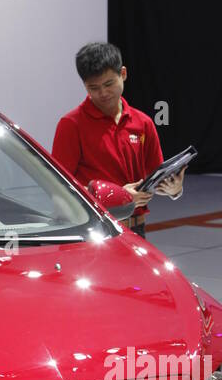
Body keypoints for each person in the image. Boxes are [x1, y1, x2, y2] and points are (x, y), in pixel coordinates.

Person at [52, 41, 185, 238]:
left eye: (109, 84)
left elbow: (154, 179)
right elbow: (59, 190)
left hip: (136, 229)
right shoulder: (71, 124)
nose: (103, 93)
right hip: (96, 231)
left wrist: (175, 189)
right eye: (93, 87)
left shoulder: (143, 123)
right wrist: (118, 199)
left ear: (123, 74)